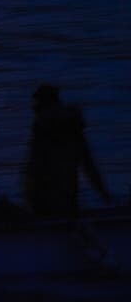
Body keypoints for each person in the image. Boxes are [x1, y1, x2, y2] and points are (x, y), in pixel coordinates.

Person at [24, 84, 110, 218]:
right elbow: (89, 167)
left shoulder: (42, 124)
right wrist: (104, 195)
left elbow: (34, 166)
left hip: (45, 197)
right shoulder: (74, 129)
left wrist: (28, 198)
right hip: (68, 195)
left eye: (35, 103)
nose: (33, 107)